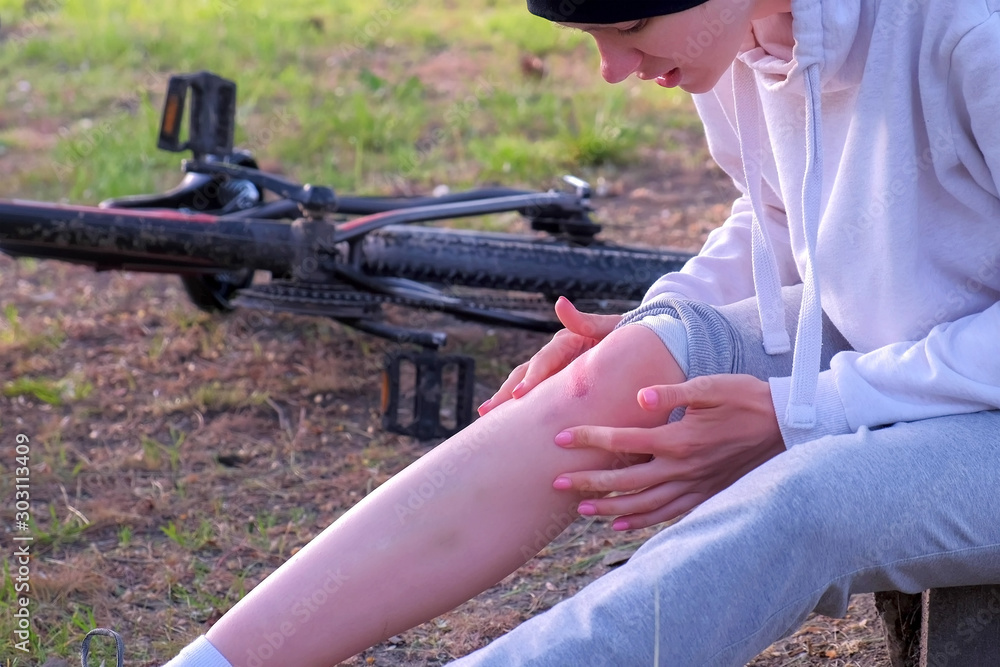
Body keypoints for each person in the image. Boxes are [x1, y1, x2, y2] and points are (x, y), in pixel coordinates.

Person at [88, 0, 1000, 665]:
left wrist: (808, 408)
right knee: (616, 378)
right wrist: (651, 321)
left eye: (628, 31)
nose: (611, 65)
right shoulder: (735, 33)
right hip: (916, 340)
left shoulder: (970, 32)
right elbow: (773, 217)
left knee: (807, 503)